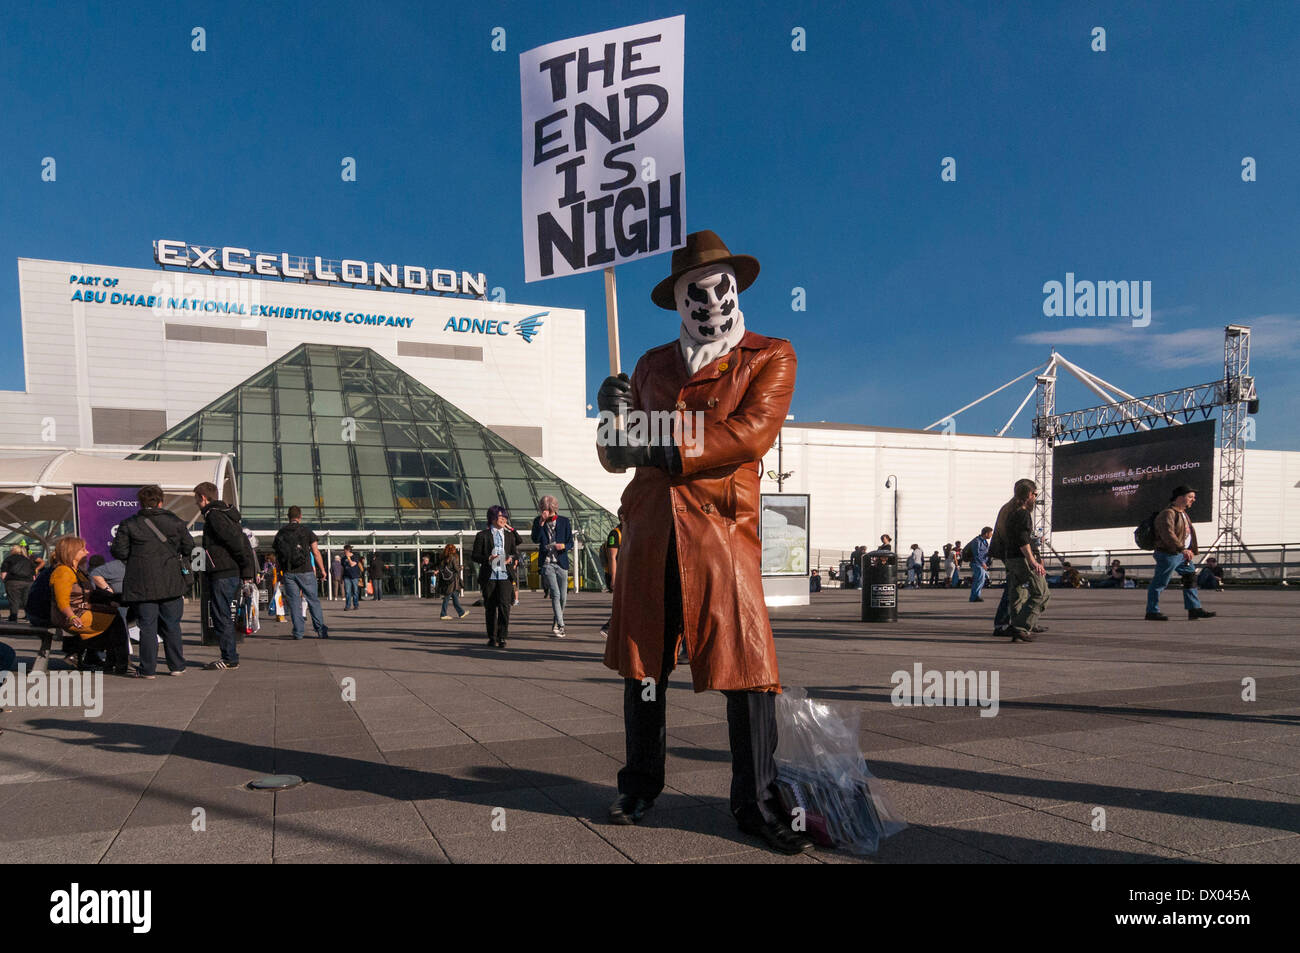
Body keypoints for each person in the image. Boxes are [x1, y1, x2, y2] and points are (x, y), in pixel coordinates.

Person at [596, 229, 813, 855]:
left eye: (720, 287)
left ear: (737, 287)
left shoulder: (769, 355)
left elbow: (749, 435)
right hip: (651, 531)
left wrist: (660, 445)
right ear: (677, 299)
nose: (710, 301)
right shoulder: (648, 365)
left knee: (748, 668)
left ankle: (756, 799)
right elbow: (617, 455)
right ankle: (639, 784)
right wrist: (608, 414)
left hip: (721, 530)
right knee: (645, 666)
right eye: (696, 291)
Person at [111, 485, 197, 677]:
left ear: (140, 503)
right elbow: (189, 546)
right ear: (161, 501)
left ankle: (148, 669)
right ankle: (177, 666)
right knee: (172, 625)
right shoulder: (175, 522)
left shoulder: (129, 524)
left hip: (142, 583)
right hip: (171, 581)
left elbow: (119, 551)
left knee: (147, 626)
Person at [191, 482, 256, 670]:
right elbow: (240, 541)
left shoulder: (215, 516)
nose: (196, 503)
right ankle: (229, 656)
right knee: (223, 614)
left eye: (196, 499)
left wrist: (245, 570)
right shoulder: (225, 515)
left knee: (221, 615)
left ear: (203, 497)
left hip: (223, 572)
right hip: (227, 571)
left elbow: (236, 542)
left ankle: (229, 658)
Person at [52, 535, 132, 676]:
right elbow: (62, 601)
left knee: (115, 617)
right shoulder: (63, 572)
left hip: (79, 611)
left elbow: (91, 593)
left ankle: (114, 662)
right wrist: (71, 617)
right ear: (72, 552)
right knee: (116, 621)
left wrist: (112, 598)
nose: (87, 552)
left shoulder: (75, 571)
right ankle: (120, 664)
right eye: (83, 549)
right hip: (73, 615)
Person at [989, 478, 1050, 642]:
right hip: (1020, 557)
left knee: (1017, 592)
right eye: (1035, 494)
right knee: (1041, 593)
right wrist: (1034, 559)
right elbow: (1023, 539)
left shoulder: (1009, 510)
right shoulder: (1021, 512)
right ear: (1029, 494)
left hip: (1009, 556)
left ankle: (1019, 624)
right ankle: (1020, 626)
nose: (1036, 497)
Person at [1146, 486, 1215, 621]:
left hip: (1181, 555)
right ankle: (1151, 611)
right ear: (1180, 497)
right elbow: (1168, 534)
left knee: (1190, 577)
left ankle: (1194, 608)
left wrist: (1189, 550)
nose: (1193, 500)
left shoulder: (1183, 513)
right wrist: (1182, 549)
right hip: (1168, 554)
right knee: (1160, 582)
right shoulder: (1168, 513)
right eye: (1190, 497)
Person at [273, 505, 329, 640]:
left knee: (294, 603)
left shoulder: (281, 533)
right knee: (313, 600)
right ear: (300, 516)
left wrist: (280, 573)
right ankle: (320, 630)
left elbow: (278, 556)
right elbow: (315, 552)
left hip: (288, 572)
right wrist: (322, 570)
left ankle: (298, 632)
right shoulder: (306, 531)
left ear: (288, 517)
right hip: (306, 571)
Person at [472, 505, 519, 648]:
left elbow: (514, 551)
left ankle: (502, 636)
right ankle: (492, 637)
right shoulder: (482, 535)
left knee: (505, 606)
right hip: (490, 576)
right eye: (500, 516)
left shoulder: (509, 536)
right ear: (492, 518)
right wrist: (488, 558)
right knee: (491, 607)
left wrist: (511, 558)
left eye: (505, 516)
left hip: (505, 575)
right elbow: (475, 555)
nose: (503, 519)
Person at [531, 495, 575, 638]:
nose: (546, 513)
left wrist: (564, 546)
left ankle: (556, 621)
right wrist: (542, 523)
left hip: (561, 562)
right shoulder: (538, 521)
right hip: (547, 563)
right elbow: (535, 539)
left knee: (563, 597)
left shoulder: (564, 521)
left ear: (554, 509)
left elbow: (570, 542)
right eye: (543, 510)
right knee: (555, 594)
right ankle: (561, 625)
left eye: (548, 511)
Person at [600, 510, 625, 638]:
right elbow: (612, 558)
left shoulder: (629, 531)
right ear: (622, 516)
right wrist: (614, 578)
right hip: (616, 574)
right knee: (623, 603)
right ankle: (608, 627)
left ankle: (613, 628)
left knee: (625, 603)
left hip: (626, 574)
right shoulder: (615, 534)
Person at [2, 543, 35, 623]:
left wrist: (5, 582)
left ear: (13, 551)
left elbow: (3, 575)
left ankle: (13, 617)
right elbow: (34, 576)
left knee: (14, 600)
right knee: (26, 600)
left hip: (13, 582)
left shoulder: (8, 559)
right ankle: (29, 617)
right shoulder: (28, 560)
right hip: (28, 582)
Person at [436, 544, 469, 620]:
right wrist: (461, 567)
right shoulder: (454, 557)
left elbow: (441, 568)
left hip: (446, 579)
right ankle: (443, 614)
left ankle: (461, 612)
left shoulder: (443, 558)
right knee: (447, 597)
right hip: (453, 580)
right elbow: (456, 569)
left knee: (454, 596)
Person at [969, 527, 993, 601]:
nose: (991, 535)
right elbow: (976, 554)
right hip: (977, 563)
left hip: (982, 564)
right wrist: (983, 563)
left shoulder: (985, 542)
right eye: (990, 533)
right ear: (986, 533)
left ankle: (976, 596)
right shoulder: (977, 541)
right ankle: (974, 597)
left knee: (980, 580)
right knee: (979, 580)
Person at [341, 545, 362, 610]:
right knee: (347, 592)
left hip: (354, 577)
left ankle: (356, 605)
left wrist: (348, 558)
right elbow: (343, 568)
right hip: (346, 577)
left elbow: (352, 564)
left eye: (345, 550)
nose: (344, 551)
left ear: (348, 550)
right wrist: (341, 576)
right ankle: (348, 606)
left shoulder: (354, 557)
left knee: (355, 591)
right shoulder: (343, 558)